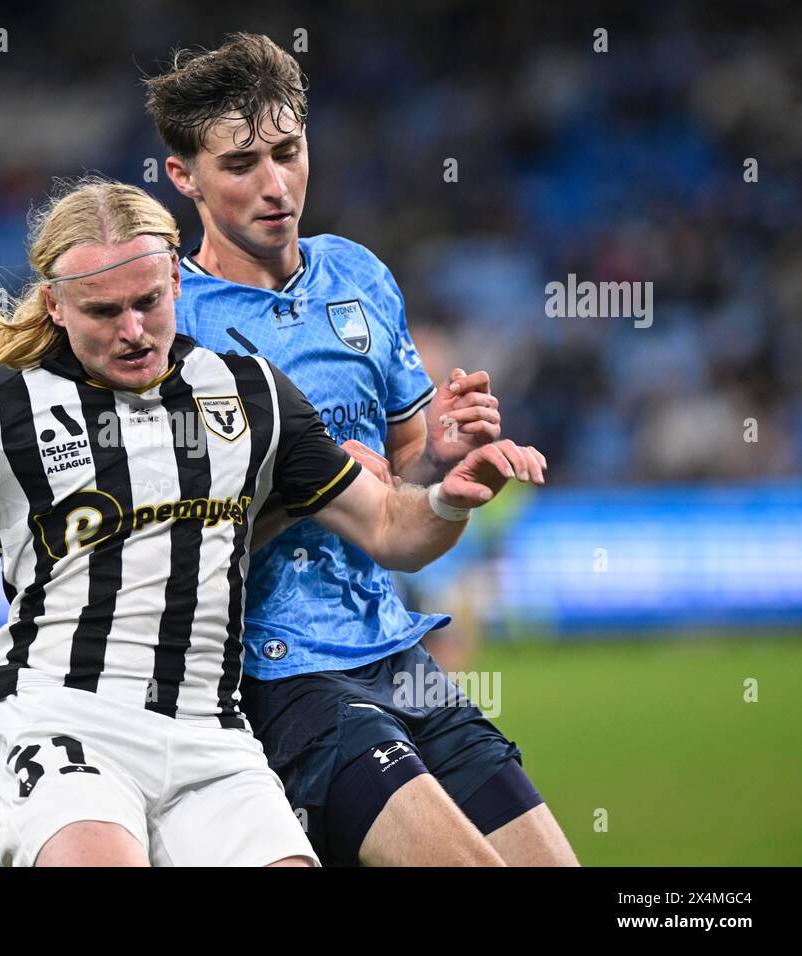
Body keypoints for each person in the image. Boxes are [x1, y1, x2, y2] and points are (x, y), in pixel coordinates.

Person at [0, 180, 545, 867]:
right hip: (69, 726)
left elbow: (391, 531)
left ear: (175, 280)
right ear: (56, 306)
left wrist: (445, 498)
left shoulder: (250, 397)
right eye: (103, 312)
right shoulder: (7, 416)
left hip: (213, 737)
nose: (134, 330)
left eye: (148, 301)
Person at [145, 33, 577, 865]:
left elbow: (396, 460)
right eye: (240, 165)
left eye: (288, 151)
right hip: (275, 674)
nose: (275, 186)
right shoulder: (166, 321)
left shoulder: (358, 275)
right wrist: (312, 487)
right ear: (182, 176)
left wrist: (438, 458)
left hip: (392, 645)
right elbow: (167, 548)